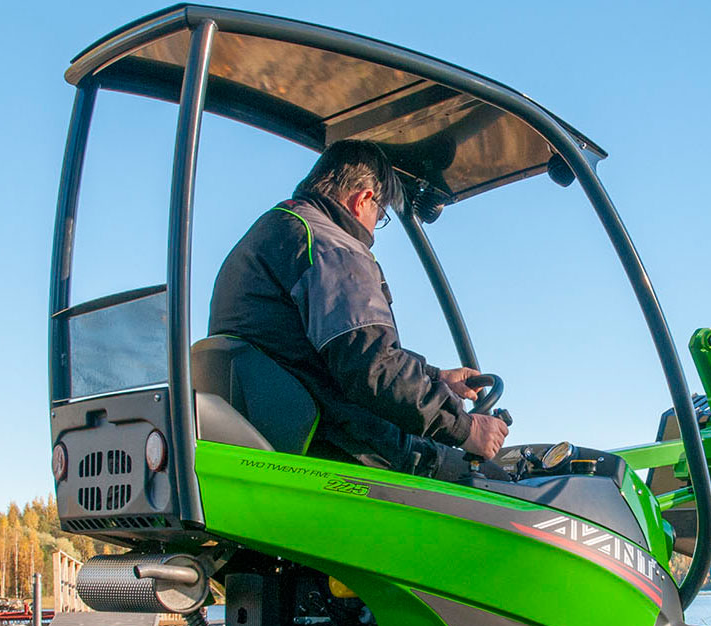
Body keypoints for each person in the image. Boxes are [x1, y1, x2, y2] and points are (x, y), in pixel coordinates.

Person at [207, 140, 508, 478]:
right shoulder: (334, 248)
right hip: (340, 450)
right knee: (497, 482)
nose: (374, 234)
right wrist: (467, 428)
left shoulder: (277, 229)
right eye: (380, 217)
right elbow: (373, 368)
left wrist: (437, 378)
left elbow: (342, 351)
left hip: (291, 434)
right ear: (363, 199)